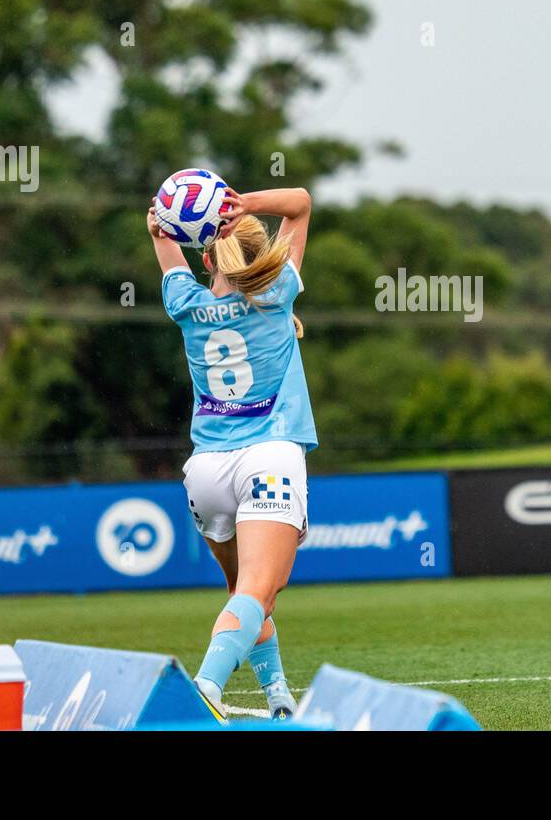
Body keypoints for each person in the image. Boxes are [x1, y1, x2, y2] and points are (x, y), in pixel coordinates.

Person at [146, 183, 316, 721]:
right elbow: (302, 202)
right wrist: (245, 203)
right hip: (267, 459)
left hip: (205, 473)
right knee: (257, 590)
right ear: (260, 254)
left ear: (205, 256)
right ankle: (206, 687)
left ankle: (278, 696)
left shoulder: (185, 304)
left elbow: (162, 242)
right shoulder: (278, 290)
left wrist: (160, 226)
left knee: (247, 593)